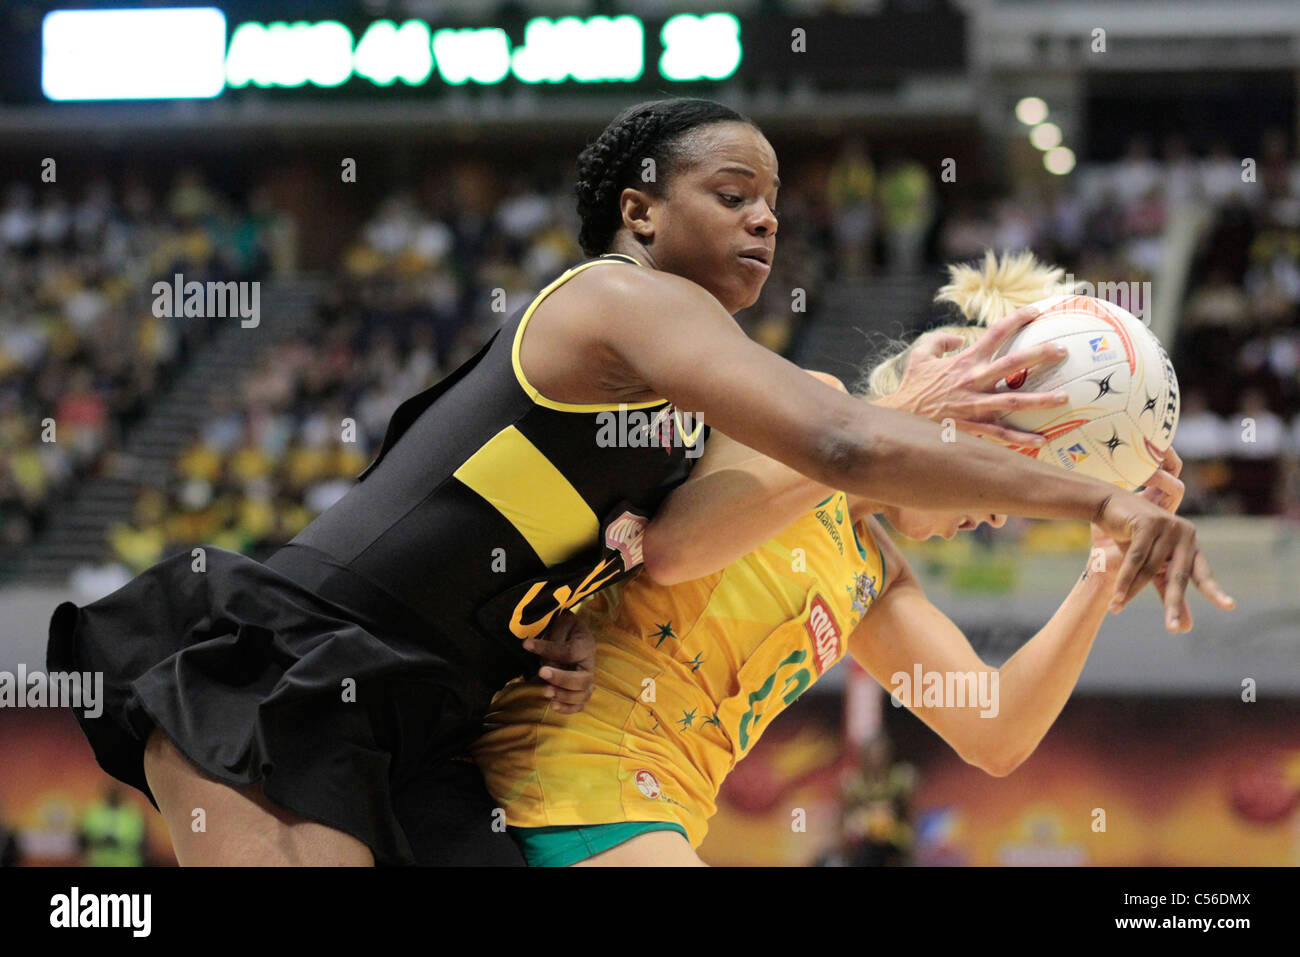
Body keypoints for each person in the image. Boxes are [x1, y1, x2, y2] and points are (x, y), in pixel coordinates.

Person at [50, 99, 1221, 867]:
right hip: (314, 672)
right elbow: (802, 472)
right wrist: (1080, 489)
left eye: (773, 204)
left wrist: (1104, 561)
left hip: (435, 721)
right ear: (638, 211)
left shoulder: (778, 489)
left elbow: (996, 732)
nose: (764, 217)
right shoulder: (703, 364)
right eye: (731, 194)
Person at [470, 251, 1237, 866]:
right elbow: (677, 548)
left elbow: (995, 733)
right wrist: (904, 417)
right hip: (575, 775)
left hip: (651, 809)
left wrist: (1100, 568)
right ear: (957, 415)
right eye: (1003, 471)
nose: (999, 508)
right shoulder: (803, 398)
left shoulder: (871, 569)